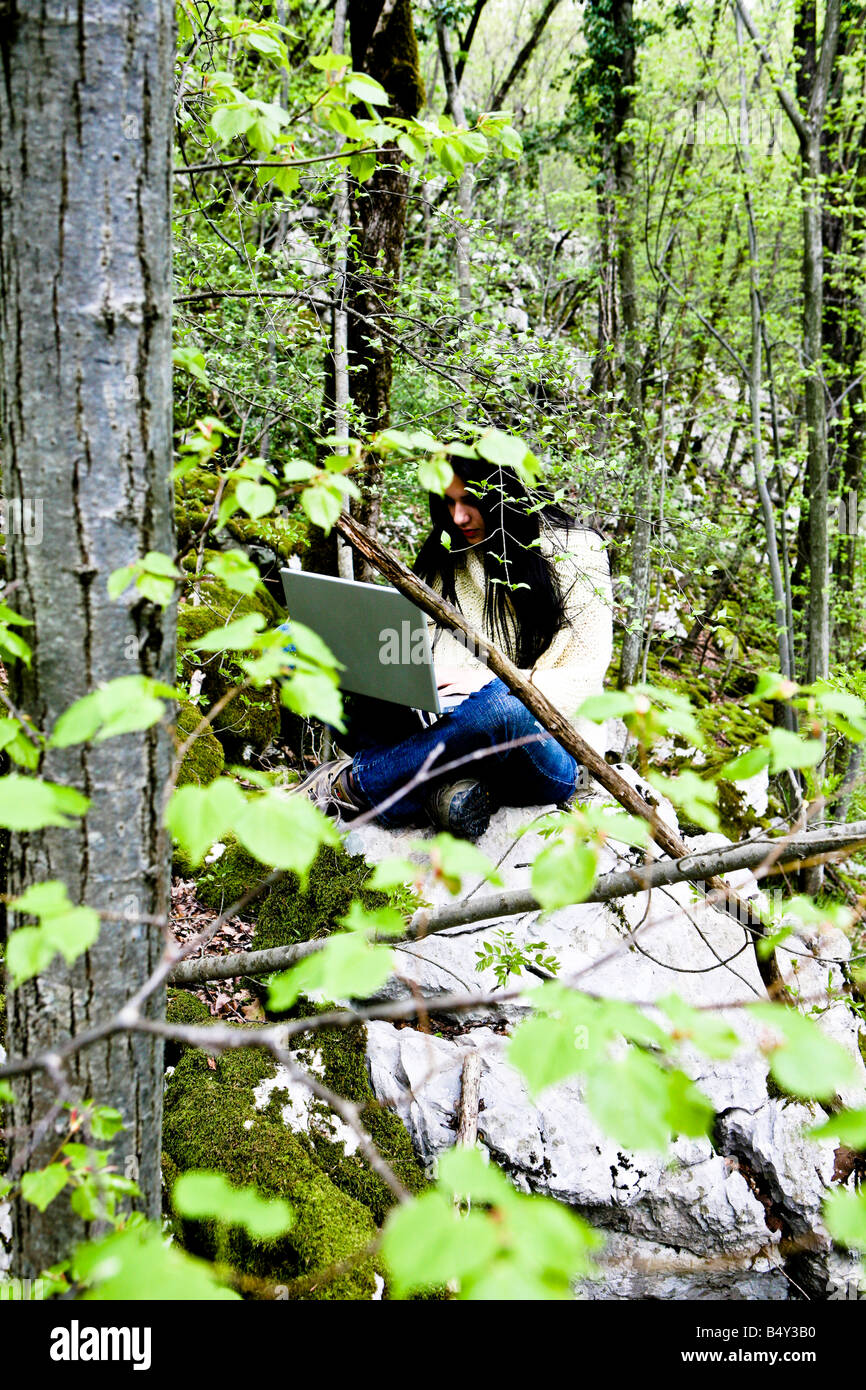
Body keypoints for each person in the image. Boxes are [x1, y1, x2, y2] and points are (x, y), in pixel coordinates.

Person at [290, 458, 614, 839]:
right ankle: (439, 792)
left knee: (502, 703)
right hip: (445, 726)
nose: (459, 517)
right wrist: (374, 654)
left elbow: (586, 676)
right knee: (293, 641)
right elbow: (412, 645)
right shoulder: (446, 551)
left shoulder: (576, 550)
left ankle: (355, 784)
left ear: (503, 494)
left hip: (543, 747)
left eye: (470, 500)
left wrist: (477, 680)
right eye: (448, 503)